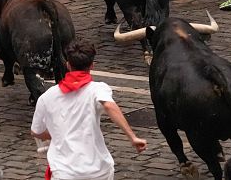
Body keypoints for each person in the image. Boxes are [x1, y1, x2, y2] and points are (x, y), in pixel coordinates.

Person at [31, 40, 146, 179]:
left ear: (68, 65)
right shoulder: (98, 89)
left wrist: (58, 133)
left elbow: (36, 131)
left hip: (64, 173)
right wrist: (132, 137)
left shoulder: (47, 97)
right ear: (92, 65)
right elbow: (109, 105)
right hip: (98, 172)